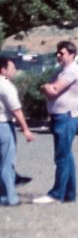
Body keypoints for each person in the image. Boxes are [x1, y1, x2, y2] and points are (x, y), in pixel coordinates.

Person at [35, 41, 78, 204]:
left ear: (71, 54)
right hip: (60, 116)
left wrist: (47, 87)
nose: (58, 55)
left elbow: (53, 90)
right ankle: (69, 194)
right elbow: (49, 89)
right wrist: (47, 88)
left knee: (61, 156)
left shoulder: (71, 72)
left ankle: (56, 194)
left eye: (61, 53)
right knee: (66, 155)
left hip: (66, 116)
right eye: (57, 52)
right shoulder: (61, 71)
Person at [0, 54, 35, 206]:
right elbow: (16, 110)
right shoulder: (6, 85)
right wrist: (25, 129)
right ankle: (10, 197)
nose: (15, 70)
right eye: (12, 68)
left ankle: (2, 194)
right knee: (7, 162)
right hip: (3, 125)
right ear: (3, 70)